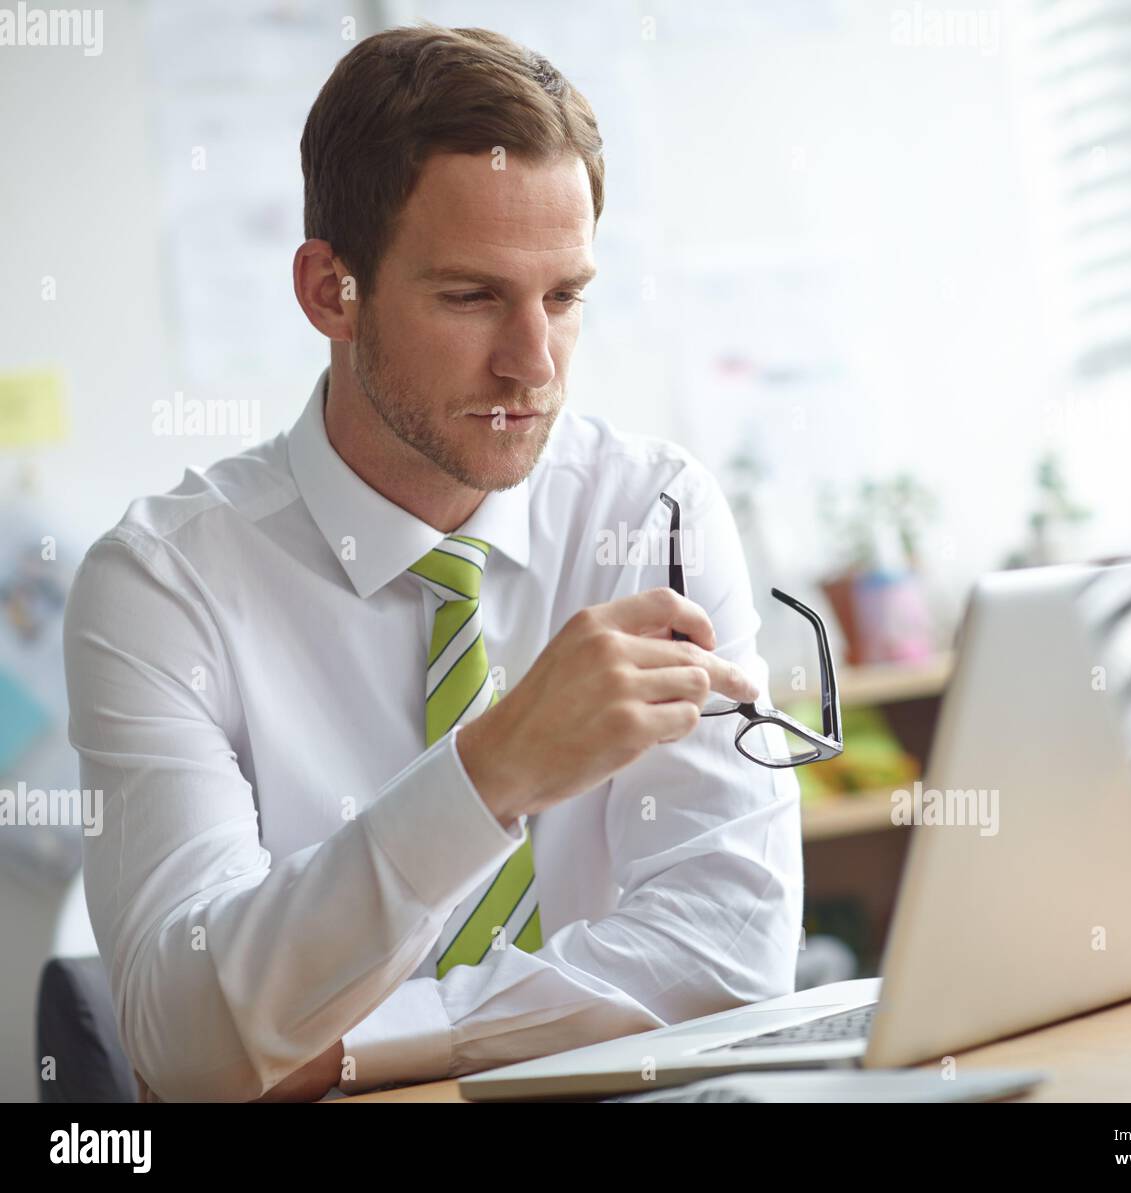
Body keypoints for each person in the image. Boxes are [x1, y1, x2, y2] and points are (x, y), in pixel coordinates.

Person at [64, 23, 802, 1102]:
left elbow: (732, 955)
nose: (533, 365)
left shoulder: (653, 512)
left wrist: (360, 1043)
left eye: (564, 297)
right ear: (331, 290)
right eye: (471, 297)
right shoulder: (161, 585)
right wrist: (489, 772)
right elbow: (190, 1044)